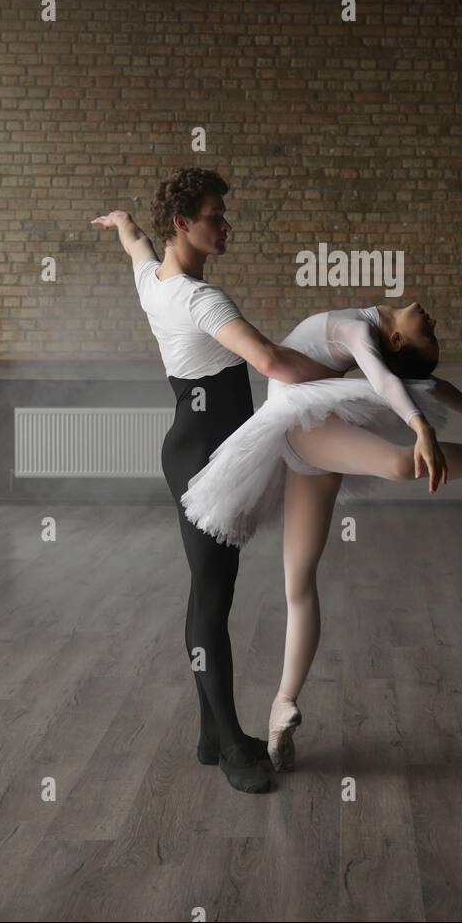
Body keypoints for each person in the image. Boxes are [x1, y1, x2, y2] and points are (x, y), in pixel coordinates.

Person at [179, 301, 462, 771]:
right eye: (432, 333)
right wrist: (450, 421)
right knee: (311, 563)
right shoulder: (363, 328)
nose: (433, 322)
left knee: (317, 560)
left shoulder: (361, 329)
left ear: (396, 341)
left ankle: (281, 709)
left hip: (311, 432)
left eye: (427, 335)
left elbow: (413, 382)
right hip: (304, 430)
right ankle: (282, 708)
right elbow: (395, 380)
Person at [91, 167, 342, 796]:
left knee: (215, 592)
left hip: (197, 446)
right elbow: (274, 361)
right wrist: (351, 371)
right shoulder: (205, 301)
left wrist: (121, 221)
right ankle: (230, 743)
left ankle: (211, 734)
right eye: (213, 216)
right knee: (210, 596)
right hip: (204, 460)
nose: (225, 225)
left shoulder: (155, 281)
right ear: (184, 223)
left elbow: (137, 248)